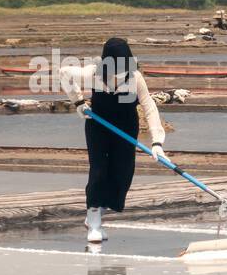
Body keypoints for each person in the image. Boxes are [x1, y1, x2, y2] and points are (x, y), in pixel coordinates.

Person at [60, 37, 168, 243]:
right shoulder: (93, 74)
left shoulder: (135, 78)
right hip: (98, 124)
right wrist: (78, 102)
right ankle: (93, 220)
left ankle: (97, 211)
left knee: (123, 172)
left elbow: (149, 107)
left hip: (126, 126)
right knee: (99, 169)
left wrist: (157, 143)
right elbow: (64, 73)